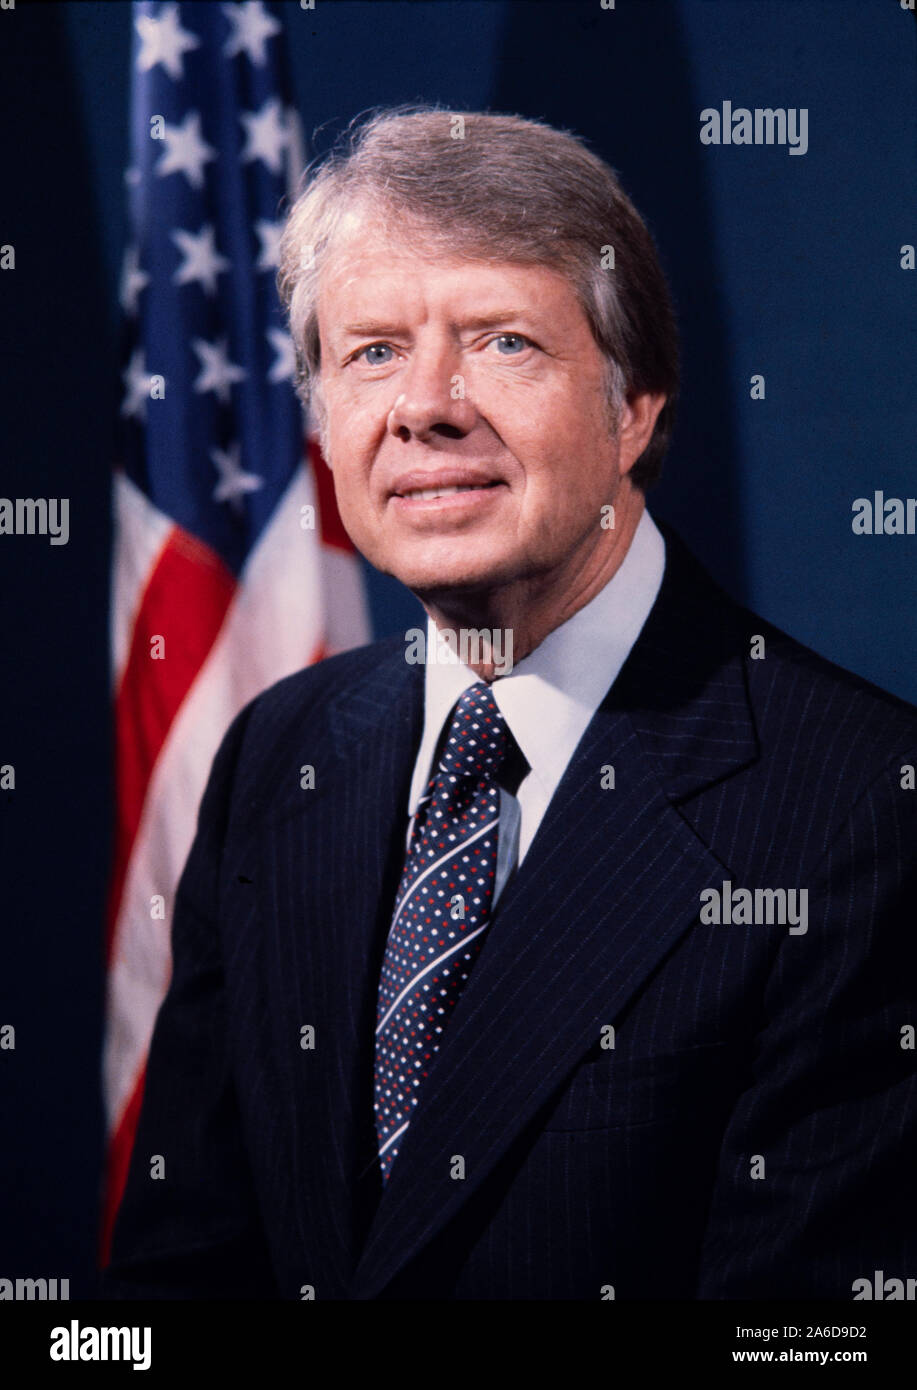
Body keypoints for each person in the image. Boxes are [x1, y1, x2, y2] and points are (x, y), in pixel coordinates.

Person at [103, 107, 917, 1301]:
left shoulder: (853, 805)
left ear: (632, 403)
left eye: (499, 342)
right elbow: (173, 1283)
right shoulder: (278, 755)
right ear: (321, 419)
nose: (425, 404)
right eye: (371, 352)